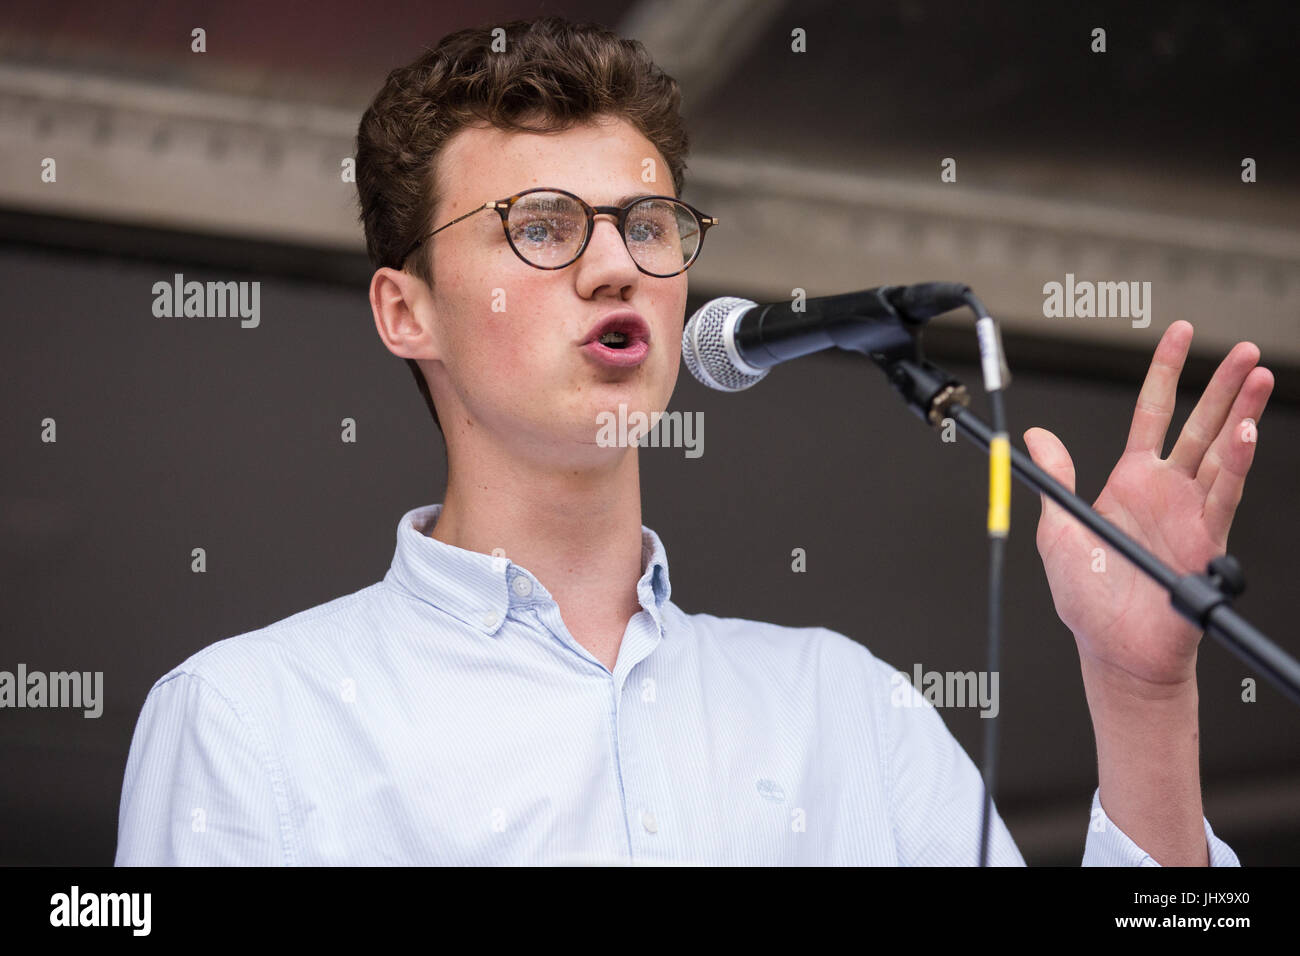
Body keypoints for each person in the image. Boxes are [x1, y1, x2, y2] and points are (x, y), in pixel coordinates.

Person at [115, 16, 1272, 866]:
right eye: (541, 227)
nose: (616, 262)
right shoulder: (250, 719)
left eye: (648, 224)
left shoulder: (845, 708)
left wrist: (1139, 696)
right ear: (404, 310)